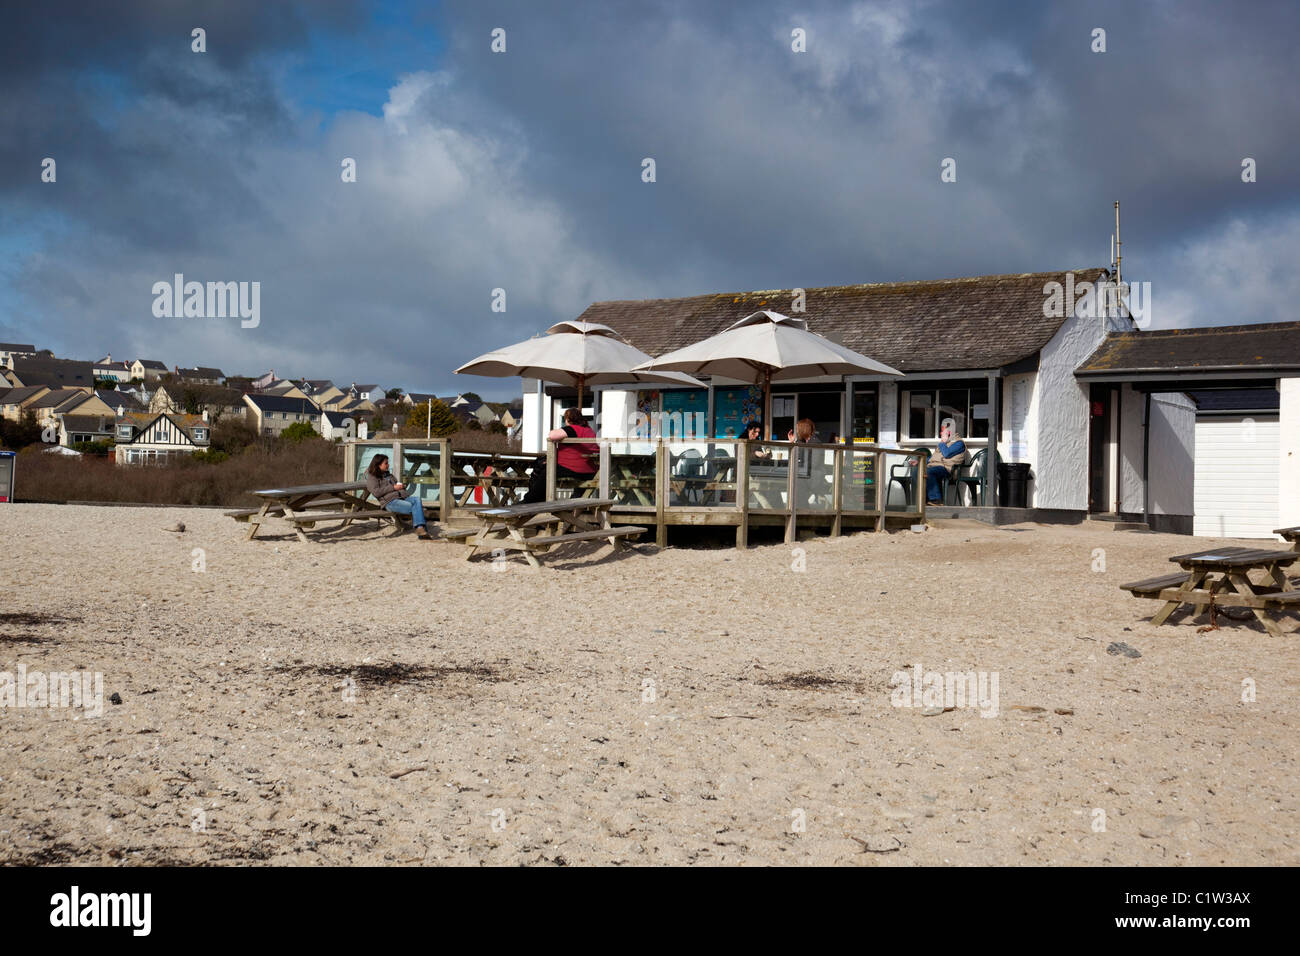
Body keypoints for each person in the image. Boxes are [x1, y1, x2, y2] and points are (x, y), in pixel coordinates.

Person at [523, 407, 598, 503]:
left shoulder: (573, 429)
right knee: (544, 466)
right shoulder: (589, 431)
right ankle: (573, 503)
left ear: (568, 419)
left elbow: (552, 435)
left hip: (572, 468)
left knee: (544, 469)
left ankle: (531, 500)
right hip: (589, 471)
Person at [365, 453, 433, 539]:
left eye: (388, 462)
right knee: (416, 507)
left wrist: (401, 487)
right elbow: (376, 492)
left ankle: (420, 529)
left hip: (402, 498)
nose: (388, 465)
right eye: (386, 463)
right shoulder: (372, 477)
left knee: (417, 500)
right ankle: (421, 530)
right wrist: (393, 487)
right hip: (390, 502)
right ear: (378, 465)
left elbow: (396, 486)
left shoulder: (389, 475)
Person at [926, 419, 969, 505]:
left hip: (948, 469)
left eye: (942, 432)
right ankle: (922, 500)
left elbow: (947, 454)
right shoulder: (944, 443)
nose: (941, 434)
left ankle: (936, 500)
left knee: (928, 472)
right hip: (937, 467)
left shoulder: (959, 443)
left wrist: (942, 443)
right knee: (917, 471)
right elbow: (935, 457)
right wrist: (921, 462)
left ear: (949, 433)